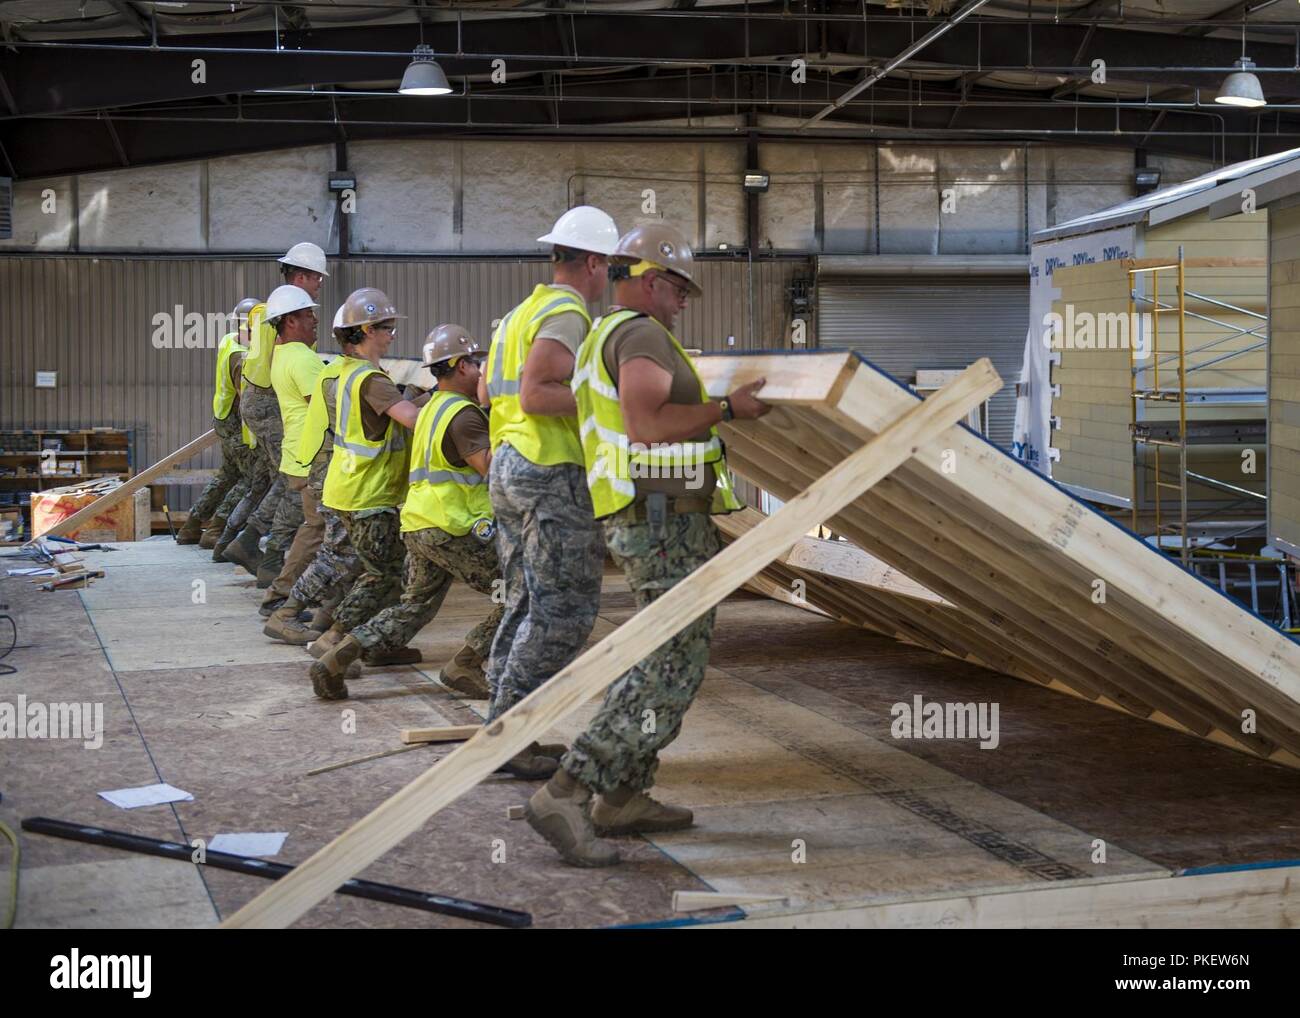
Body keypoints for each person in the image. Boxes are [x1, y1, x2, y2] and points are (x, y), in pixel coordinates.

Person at [525, 223, 769, 867]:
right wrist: (728, 409)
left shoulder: (608, 332)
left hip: (650, 514)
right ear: (652, 280)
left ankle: (623, 794)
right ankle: (569, 789)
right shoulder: (640, 334)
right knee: (669, 664)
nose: (684, 301)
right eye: (680, 288)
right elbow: (647, 423)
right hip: (660, 520)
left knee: (665, 653)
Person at [482, 205, 619, 778]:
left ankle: (499, 730)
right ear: (593, 263)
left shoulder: (522, 312)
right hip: (549, 469)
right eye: (609, 265)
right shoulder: (567, 312)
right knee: (563, 612)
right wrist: (612, 401)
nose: (609, 276)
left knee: (525, 601)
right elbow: (537, 393)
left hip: (510, 465)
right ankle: (511, 734)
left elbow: (489, 393)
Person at [311, 326, 508, 700]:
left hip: (418, 524)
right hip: (451, 527)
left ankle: (336, 658)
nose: (481, 371)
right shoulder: (463, 416)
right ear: (461, 366)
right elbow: (493, 470)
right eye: (476, 364)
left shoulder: (431, 409)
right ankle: (466, 663)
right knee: (519, 591)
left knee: (413, 606)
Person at [295, 288, 424, 699]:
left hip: (346, 487)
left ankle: (377, 643)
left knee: (378, 569)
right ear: (367, 330)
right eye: (387, 329)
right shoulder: (373, 380)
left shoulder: (345, 372)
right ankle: (332, 640)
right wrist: (445, 401)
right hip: (369, 494)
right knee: (382, 575)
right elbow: (412, 420)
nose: (391, 336)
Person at [222, 241, 329, 585]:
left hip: (266, 396)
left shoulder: (277, 307)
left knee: (287, 479)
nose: (319, 284)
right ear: (301, 276)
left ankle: (250, 542)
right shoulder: (287, 311)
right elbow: (288, 363)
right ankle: (263, 551)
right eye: (317, 277)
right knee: (299, 479)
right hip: (270, 399)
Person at [178, 297, 258, 546]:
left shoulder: (228, 341)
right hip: (238, 424)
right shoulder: (242, 358)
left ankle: (191, 526)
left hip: (222, 418)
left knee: (227, 474)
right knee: (251, 479)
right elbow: (248, 400)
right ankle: (215, 529)